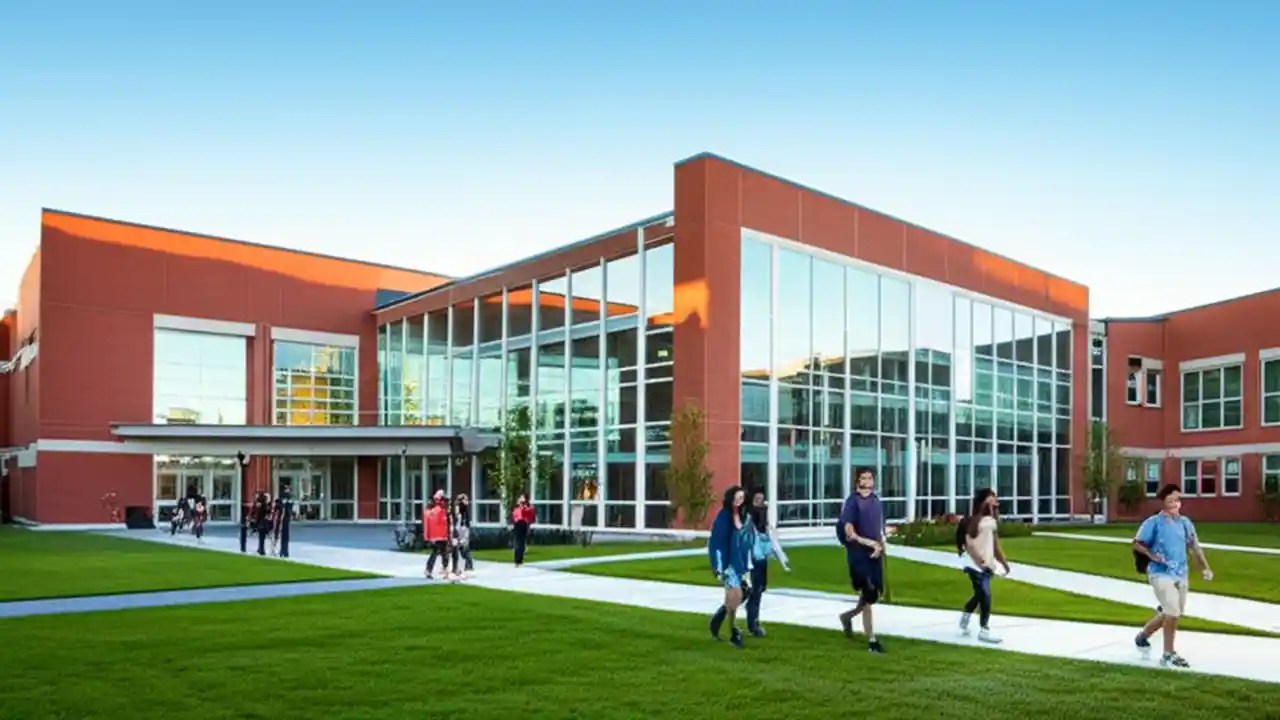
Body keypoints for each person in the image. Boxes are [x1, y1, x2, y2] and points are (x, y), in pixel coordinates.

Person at [1132, 483, 1214, 669]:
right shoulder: (1153, 523)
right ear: (1163, 502)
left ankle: (1143, 635)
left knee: (1172, 612)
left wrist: (1205, 568)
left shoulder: (1185, 523)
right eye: (1170, 500)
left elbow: (1194, 547)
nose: (1174, 503)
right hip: (1160, 573)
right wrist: (1153, 556)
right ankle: (1168, 654)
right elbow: (1137, 544)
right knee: (1172, 611)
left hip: (1181, 574)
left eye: (1177, 499)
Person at [837, 467, 887, 654]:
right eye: (863, 478)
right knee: (868, 594)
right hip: (859, 556)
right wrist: (870, 544)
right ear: (857, 481)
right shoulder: (852, 502)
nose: (867, 481)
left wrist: (880, 545)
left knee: (871, 598)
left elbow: (879, 528)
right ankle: (872, 641)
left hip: (875, 555)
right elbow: (850, 532)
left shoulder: (876, 501)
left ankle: (847, 617)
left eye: (870, 477)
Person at [958, 488, 1010, 644]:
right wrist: (979, 560)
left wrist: (1004, 562)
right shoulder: (974, 520)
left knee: (980, 594)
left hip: (987, 565)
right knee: (985, 594)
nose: (994, 498)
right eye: (991, 496)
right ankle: (984, 630)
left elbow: (995, 545)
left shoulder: (991, 522)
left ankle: (966, 616)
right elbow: (969, 543)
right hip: (975, 565)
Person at [708, 485, 756, 649]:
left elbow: (747, 540)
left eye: (741, 498)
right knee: (735, 594)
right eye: (736, 497)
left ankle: (720, 618)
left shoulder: (745, 517)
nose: (739, 500)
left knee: (743, 592)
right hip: (728, 563)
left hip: (741, 563)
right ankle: (732, 630)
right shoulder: (724, 516)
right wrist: (718, 565)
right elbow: (716, 542)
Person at [745, 489, 791, 637]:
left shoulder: (765, 524)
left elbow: (773, 543)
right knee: (753, 591)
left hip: (761, 561)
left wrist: (783, 561)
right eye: (757, 500)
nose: (760, 504)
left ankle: (752, 617)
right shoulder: (748, 522)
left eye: (762, 500)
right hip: (750, 562)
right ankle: (753, 624)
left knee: (759, 590)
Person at [424, 490, 453, 580]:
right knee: (441, 553)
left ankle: (432, 570)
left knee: (441, 553)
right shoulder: (436, 509)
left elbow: (446, 523)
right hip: (439, 536)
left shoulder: (437, 509)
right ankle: (440, 571)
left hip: (440, 536)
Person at [451, 493, 474, 578]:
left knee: (465, 549)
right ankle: (457, 568)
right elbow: (456, 519)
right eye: (465, 500)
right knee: (458, 549)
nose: (467, 501)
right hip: (458, 530)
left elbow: (466, 522)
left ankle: (468, 566)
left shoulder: (465, 509)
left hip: (463, 529)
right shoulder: (458, 508)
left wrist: (466, 535)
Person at [510, 494, 535, 567]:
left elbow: (528, 514)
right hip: (519, 524)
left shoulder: (527, 507)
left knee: (519, 542)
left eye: (521, 498)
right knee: (519, 542)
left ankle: (518, 560)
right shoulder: (518, 507)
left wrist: (521, 505)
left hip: (522, 523)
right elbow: (514, 515)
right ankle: (519, 560)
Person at [273, 483, 294, 558]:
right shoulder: (281, 498)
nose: (287, 491)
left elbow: (290, 508)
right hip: (281, 519)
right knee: (281, 535)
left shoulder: (289, 498)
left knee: (285, 536)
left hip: (285, 519)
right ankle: (281, 550)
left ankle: (285, 551)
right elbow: (277, 507)